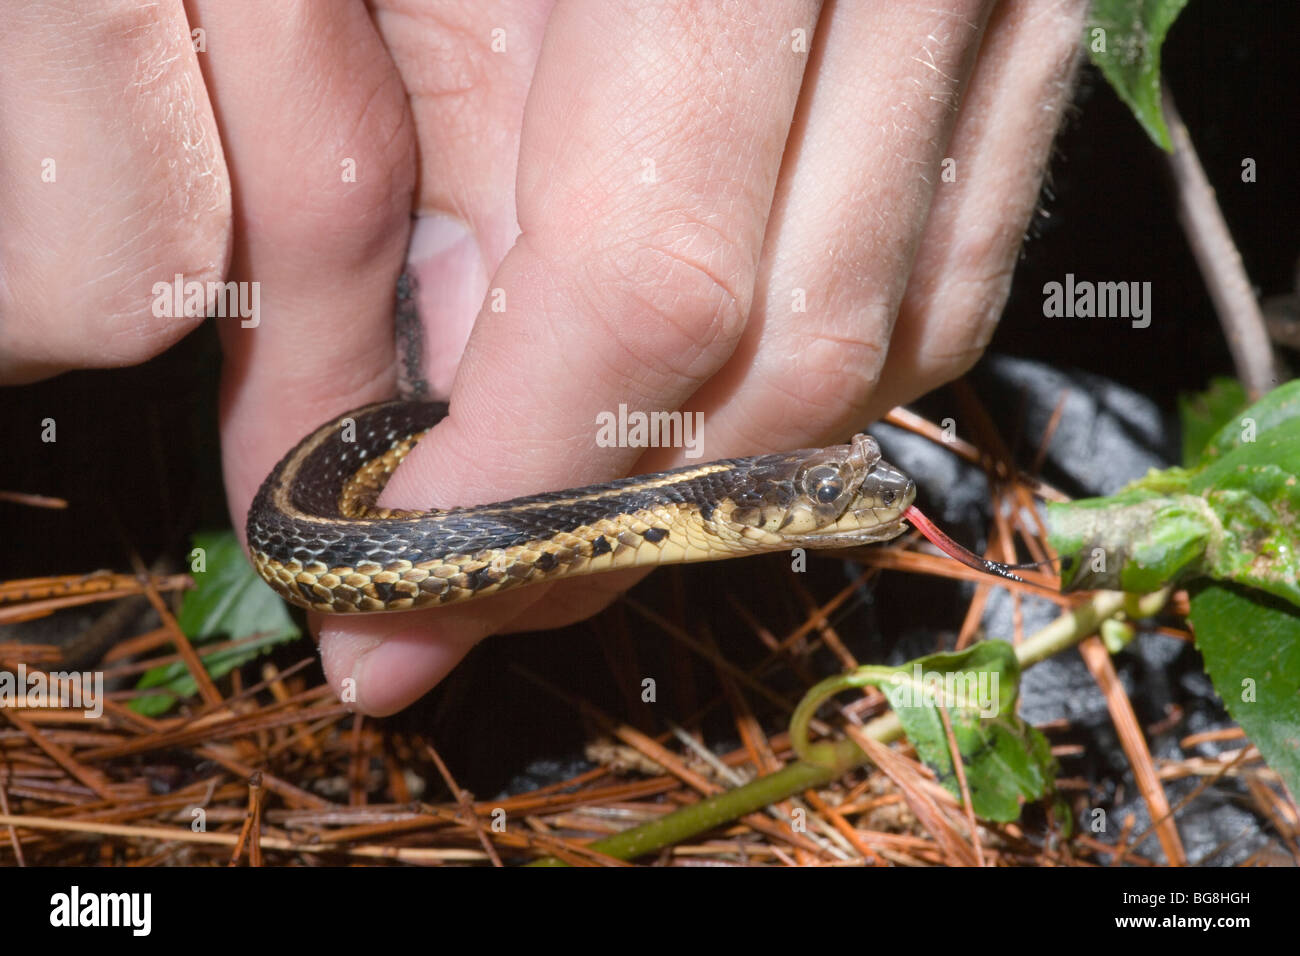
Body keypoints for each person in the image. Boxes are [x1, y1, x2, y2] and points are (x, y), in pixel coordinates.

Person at [0, 0, 1089, 714]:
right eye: (817, 490)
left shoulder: (650, 498)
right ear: (734, 510)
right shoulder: (638, 507)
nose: (868, 499)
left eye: (831, 491)